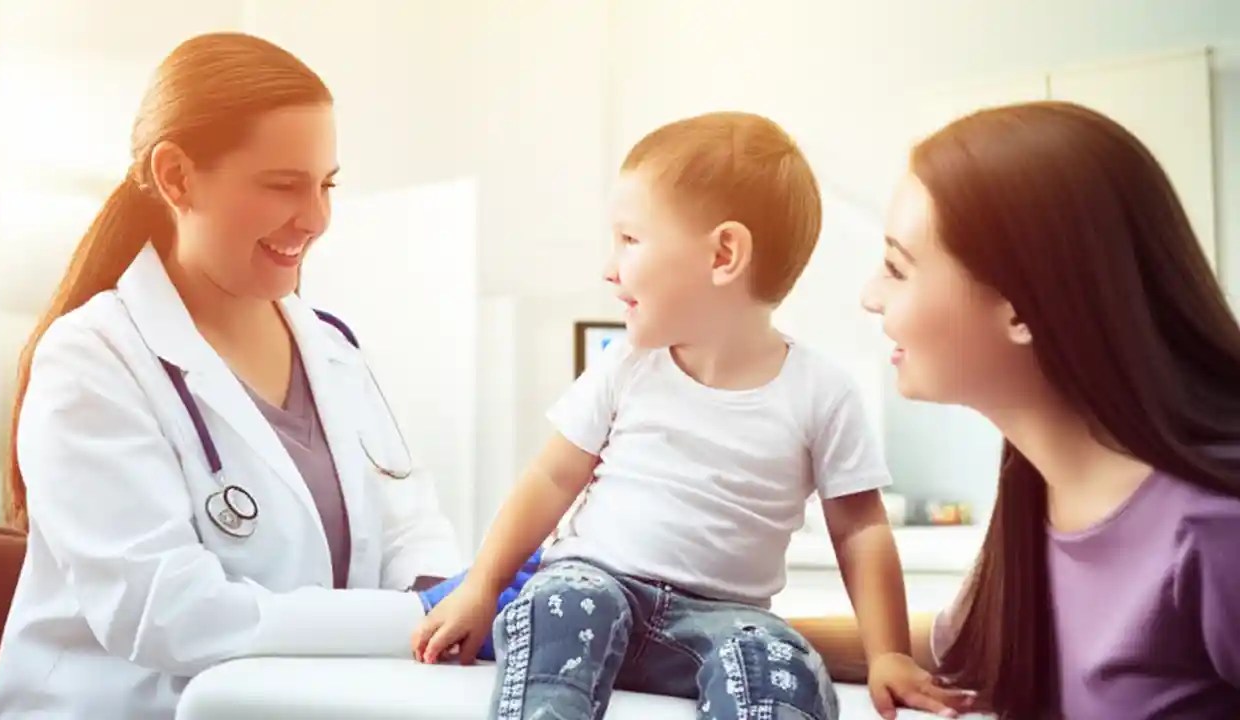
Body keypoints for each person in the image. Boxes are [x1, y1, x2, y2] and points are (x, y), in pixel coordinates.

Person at [0, 32, 536, 719]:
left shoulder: (332, 348)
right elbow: (167, 615)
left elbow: (406, 528)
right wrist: (415, 616)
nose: (316, 218)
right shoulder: (92, 360)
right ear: (177, 177)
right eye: (283, 186)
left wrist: (462, 595)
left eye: (327, 184)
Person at [413, 112, 972, 720]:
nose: (608, 266)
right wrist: (481, 587)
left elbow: (861, 532)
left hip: (725, 621)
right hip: (600, 587)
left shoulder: (821, 392)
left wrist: (887, 652)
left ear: (724, 253)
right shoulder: (625, 366)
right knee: (561, 604)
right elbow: (550, 479)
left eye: (629, 239)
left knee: (785, 661)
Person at [803, 101, 1240, 719]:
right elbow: (960, 647)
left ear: (1020, 309)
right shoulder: (1039, 486)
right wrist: (695, 634)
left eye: (898, 269)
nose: (871, 297)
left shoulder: (1217, 527)